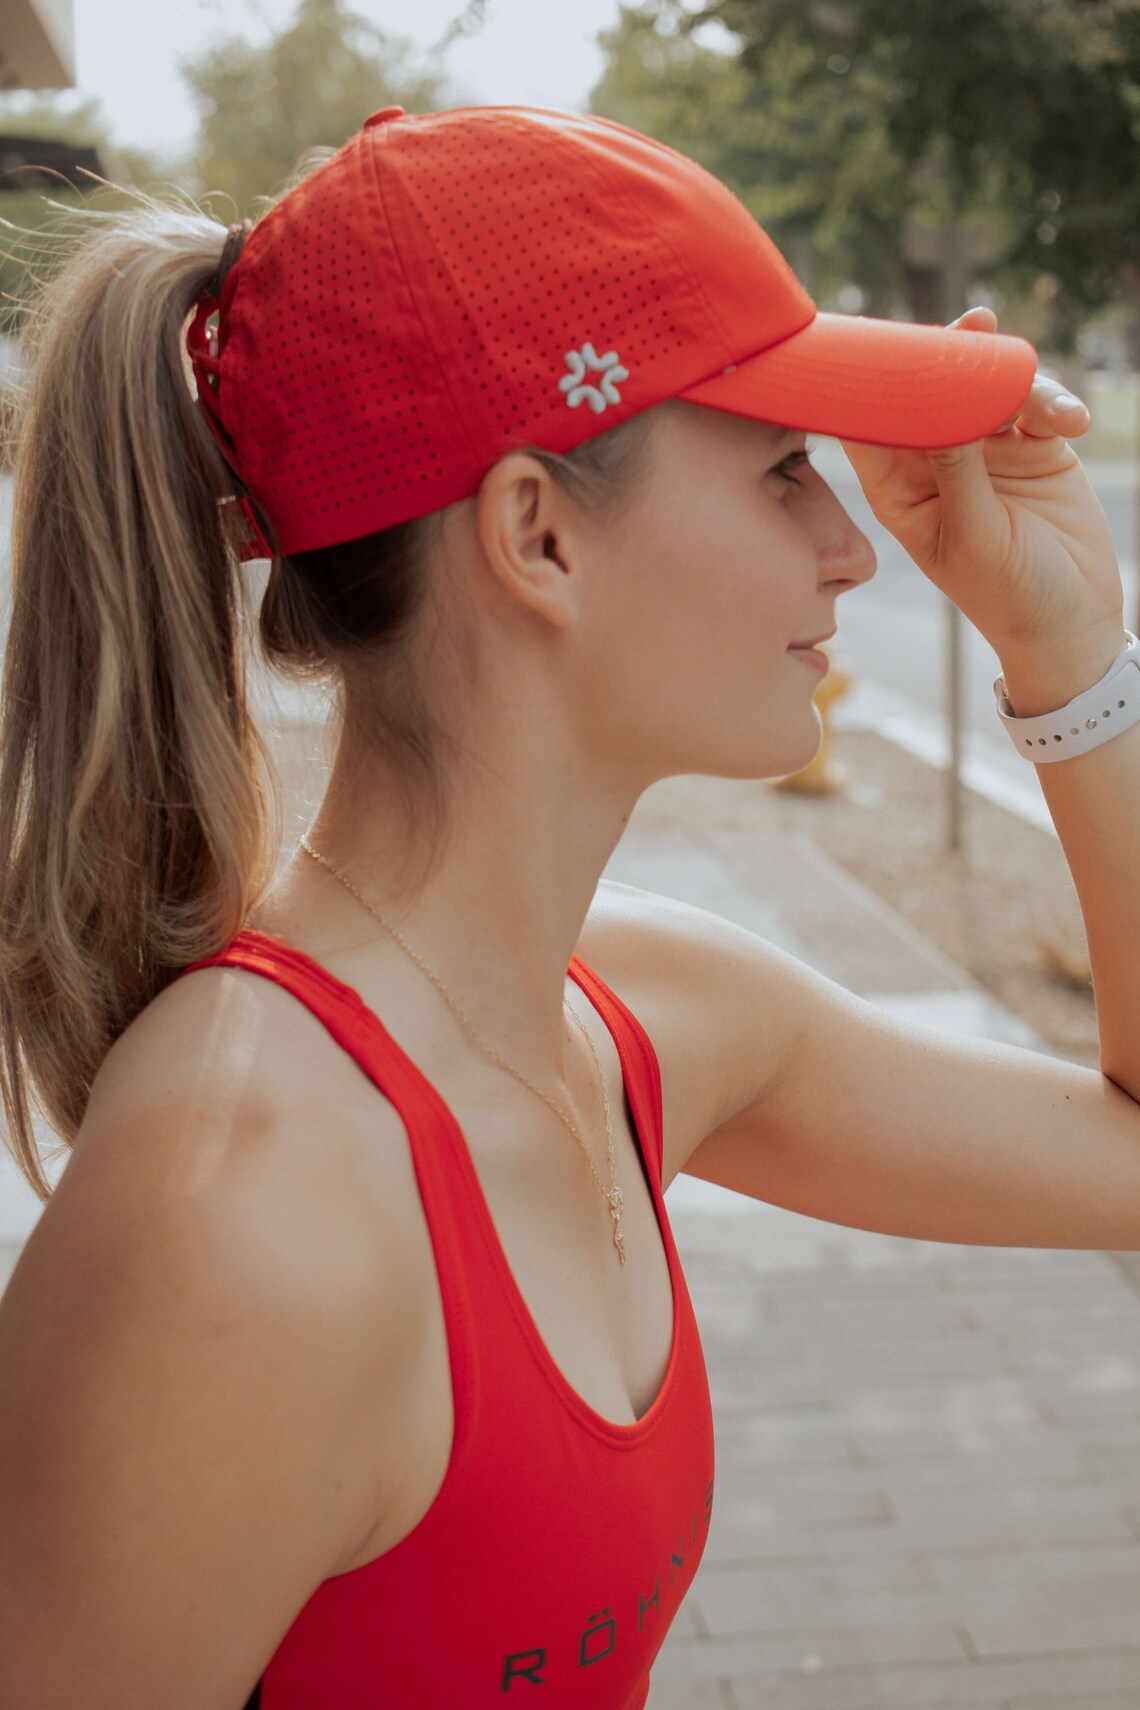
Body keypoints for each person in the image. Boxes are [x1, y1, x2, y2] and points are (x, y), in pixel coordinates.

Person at [0, 102, 1138, 1710]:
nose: (852, 550)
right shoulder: (239, 1216)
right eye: (784, 470)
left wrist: (1072, 656)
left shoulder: (646, 1014)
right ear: (537, 534)